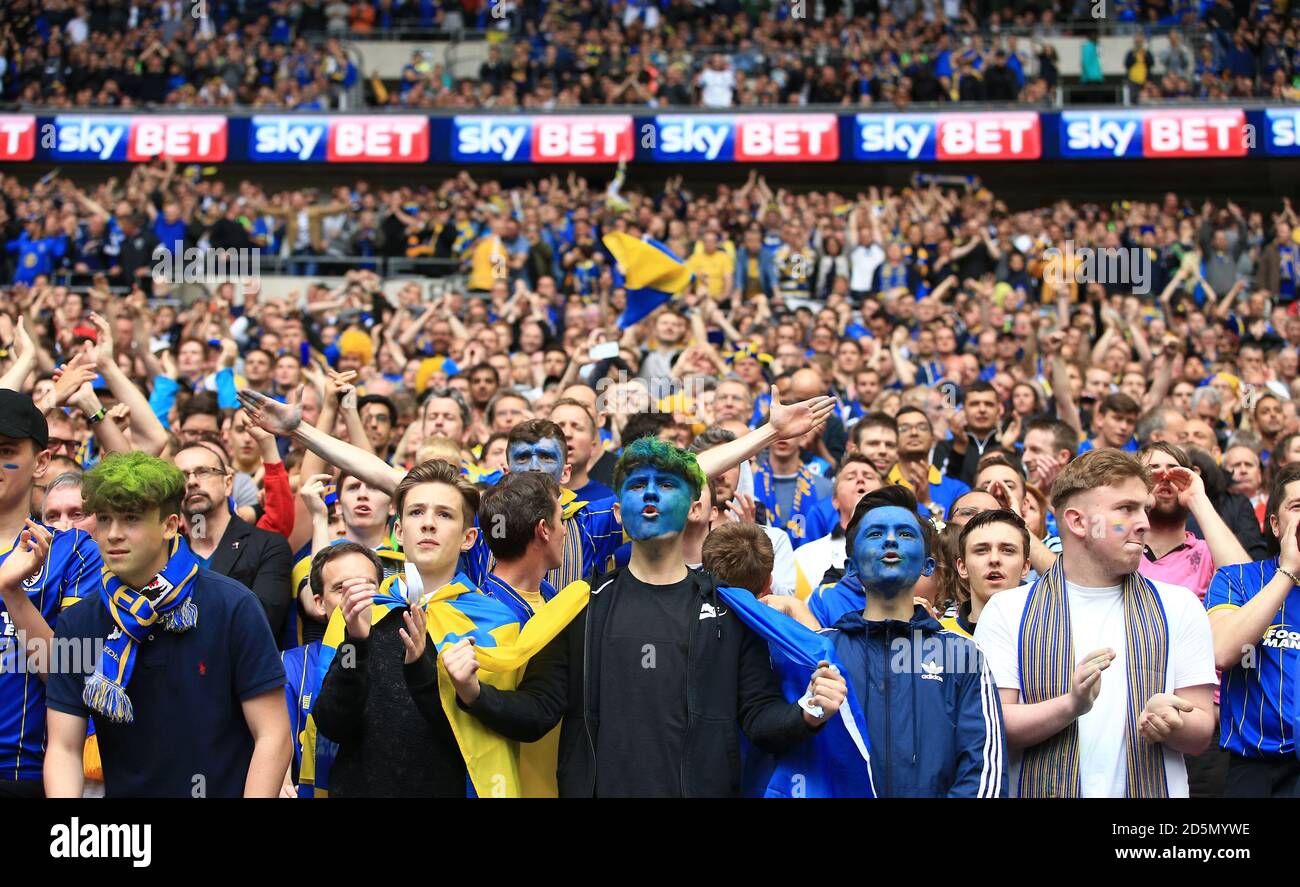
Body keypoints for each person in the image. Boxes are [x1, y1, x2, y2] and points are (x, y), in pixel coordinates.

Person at [441, 438, 847, 797]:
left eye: (666, 484)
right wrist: (474, 693)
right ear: (618, 513)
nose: (650, 492)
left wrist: (809, 710)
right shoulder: (578, 608)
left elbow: (760, 719)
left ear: (693, 507)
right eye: (637, 485)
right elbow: (537, 713)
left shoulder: (729, 611)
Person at [44, 452, 290, 797]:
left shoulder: (232, 605)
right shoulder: (78, 621)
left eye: (131, 519)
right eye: (104, 519)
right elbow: (64, 748)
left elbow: (273, 734)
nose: (113, 534)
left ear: (170, 525)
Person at [974, 449, 1218, 797]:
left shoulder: (1178, 606)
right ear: (1077, 522)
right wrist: (1071, 706)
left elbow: (1201, 733)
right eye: (1126, 509)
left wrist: (1173, 722)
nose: (1144, 523)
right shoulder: (1007, 610)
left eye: (1144, 509)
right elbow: (994, 726)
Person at [816, 484, 1005, 797]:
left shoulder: (964, 654)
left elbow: (983, 770)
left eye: (905, 534)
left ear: (927, 565)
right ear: (851, 567)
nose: (890, 539)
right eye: (875, 534)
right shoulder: (819, 651)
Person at [309, 459, 482, 798]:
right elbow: (330, 725)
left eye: (445, 515)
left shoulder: (490, 620)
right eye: (416, 513)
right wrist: (356, 643)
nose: (429, 524)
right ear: (399, 532)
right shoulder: (361, 609)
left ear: (469, 537)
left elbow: (481, 743)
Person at [0, 391, 105, 797]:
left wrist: (13, 594)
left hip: (24, 773)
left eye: (6, 450)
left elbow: (72, 670)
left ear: (41, 462)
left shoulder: (73, 550)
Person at [1205, 462, 1300, 797]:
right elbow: (1224, 650)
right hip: (1253, 768)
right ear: (1275, 524)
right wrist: (1287, 572)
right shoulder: (1237, 579)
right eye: (1297, 507)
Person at [281, 541, 385, 797]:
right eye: (341, 589)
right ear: (319, 603)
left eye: (367, 586)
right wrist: (279, 777)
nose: (356, 597)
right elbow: (274, 737)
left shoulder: (405, 659)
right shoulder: (291, 664)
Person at [175, 441, 294, 638]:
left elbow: (261, 623)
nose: (192, 482)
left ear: (228, 484)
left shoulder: (268, 546)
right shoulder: (165, 554)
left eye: (203, 471)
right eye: (182, 476)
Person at [794, 455, 881, 592]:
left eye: (869, 477)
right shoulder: (806, 557)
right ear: (835, 501)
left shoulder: (900, 550)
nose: (860, 480)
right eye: (850, 477)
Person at [944, 509, 1032, 639]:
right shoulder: (939, 638)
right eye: (981, 550)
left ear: (1025, 567)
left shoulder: (1047, 636)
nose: (994, 559)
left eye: (1008, 550)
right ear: (962, 567)